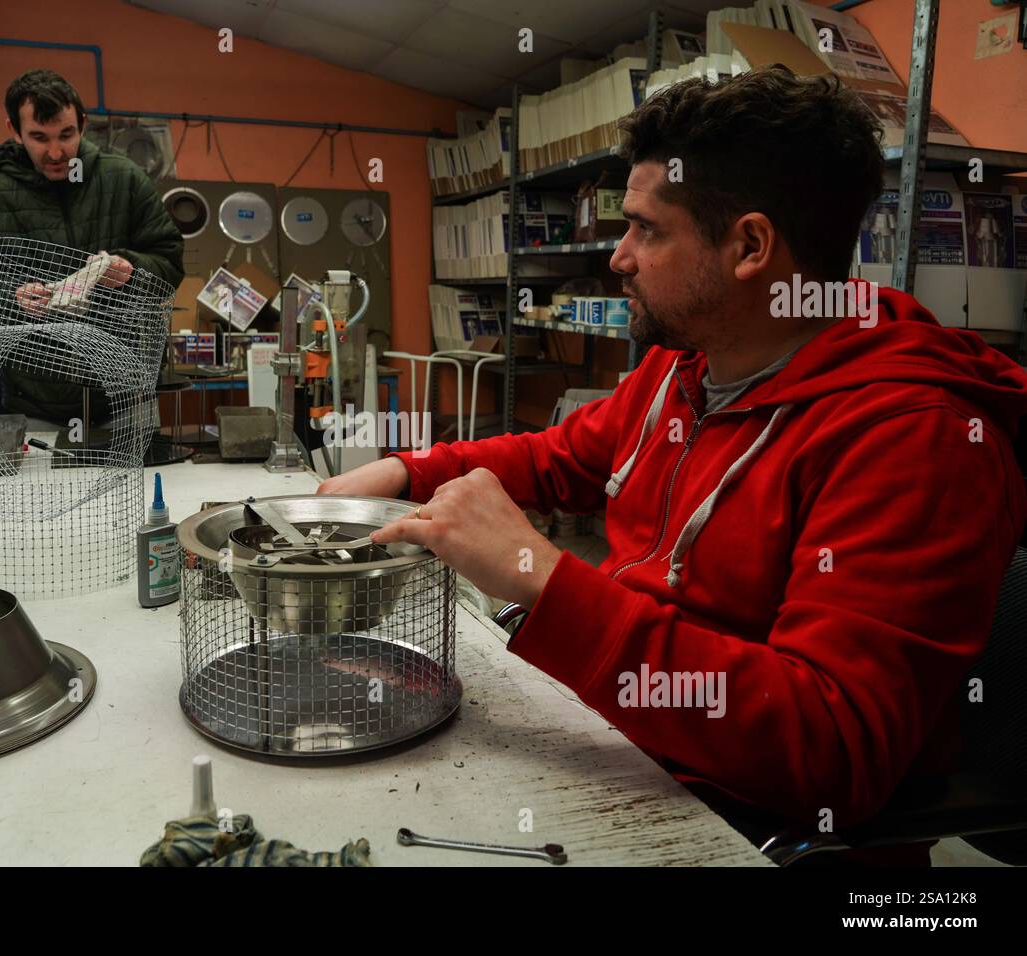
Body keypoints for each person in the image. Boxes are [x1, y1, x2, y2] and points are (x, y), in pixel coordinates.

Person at [321, 66, 1027, 853]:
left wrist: (541, 579)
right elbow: (563, 458)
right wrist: (407, 472)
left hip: (749, 828)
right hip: (627, 747)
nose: (619, 258)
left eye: (647, 230)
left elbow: (831, 749)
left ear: (750, 246)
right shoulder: (688, 361)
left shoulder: (914, 440)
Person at [0, 69, 184, 422]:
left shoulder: (125, 180)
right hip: (32, 402)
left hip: (125, 396)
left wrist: (131, 272)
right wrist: (11, 298)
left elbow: (170, 261)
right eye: (39, 137)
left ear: (83, 124)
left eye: (66, 134)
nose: (57, 152)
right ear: (14, 130)